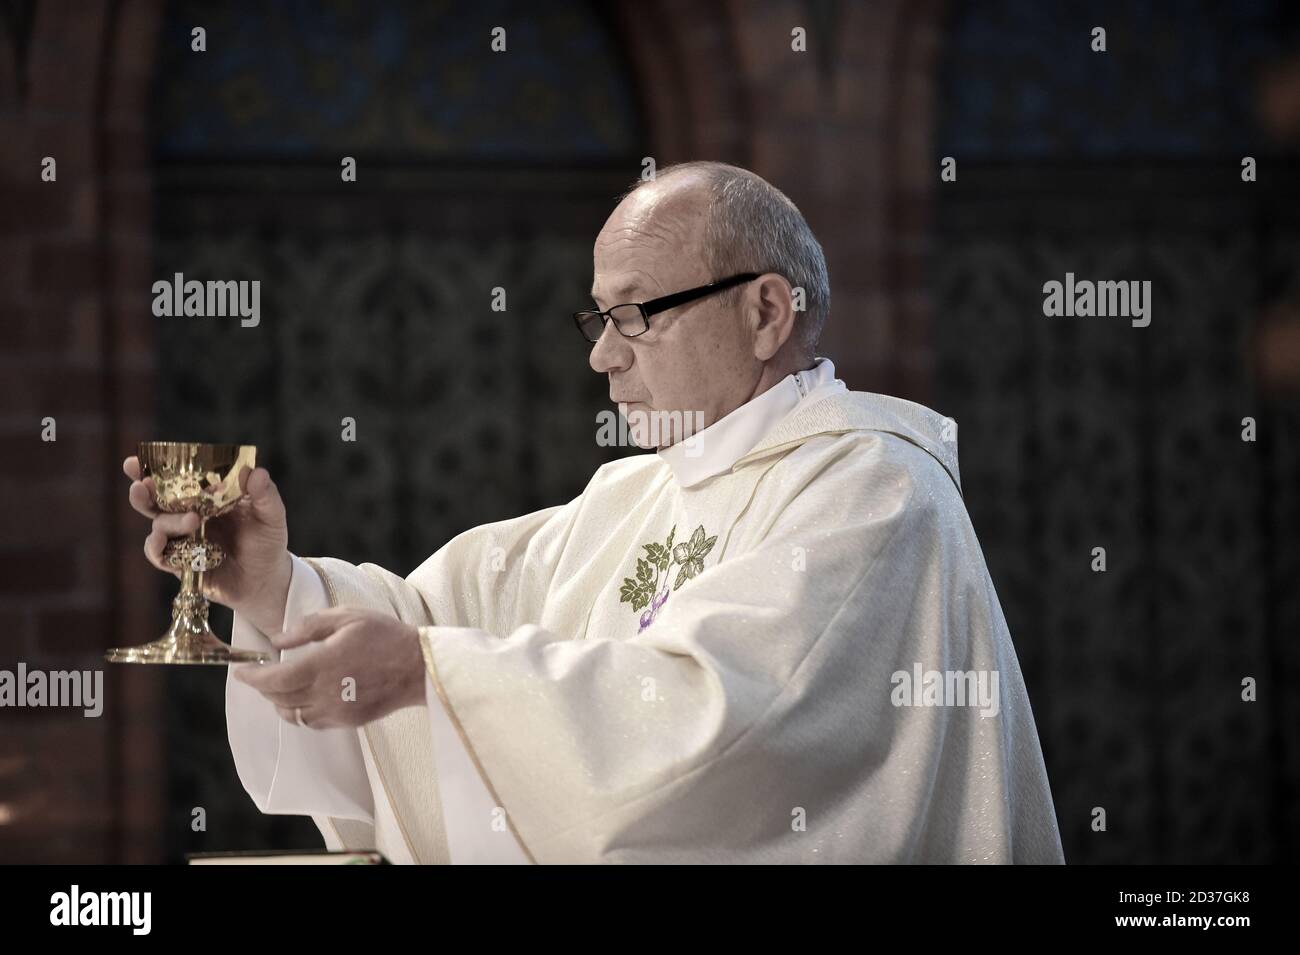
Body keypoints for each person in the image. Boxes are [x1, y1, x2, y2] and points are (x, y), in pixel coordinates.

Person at [125, 161, 1065, 864]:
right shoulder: (634, 493)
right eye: (598, 317)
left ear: (766, 312)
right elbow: (442, 615)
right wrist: (273, 588)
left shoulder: (874, 493)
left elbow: (730, 721)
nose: (602, 357)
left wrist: (425, 674)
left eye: (635, 314)